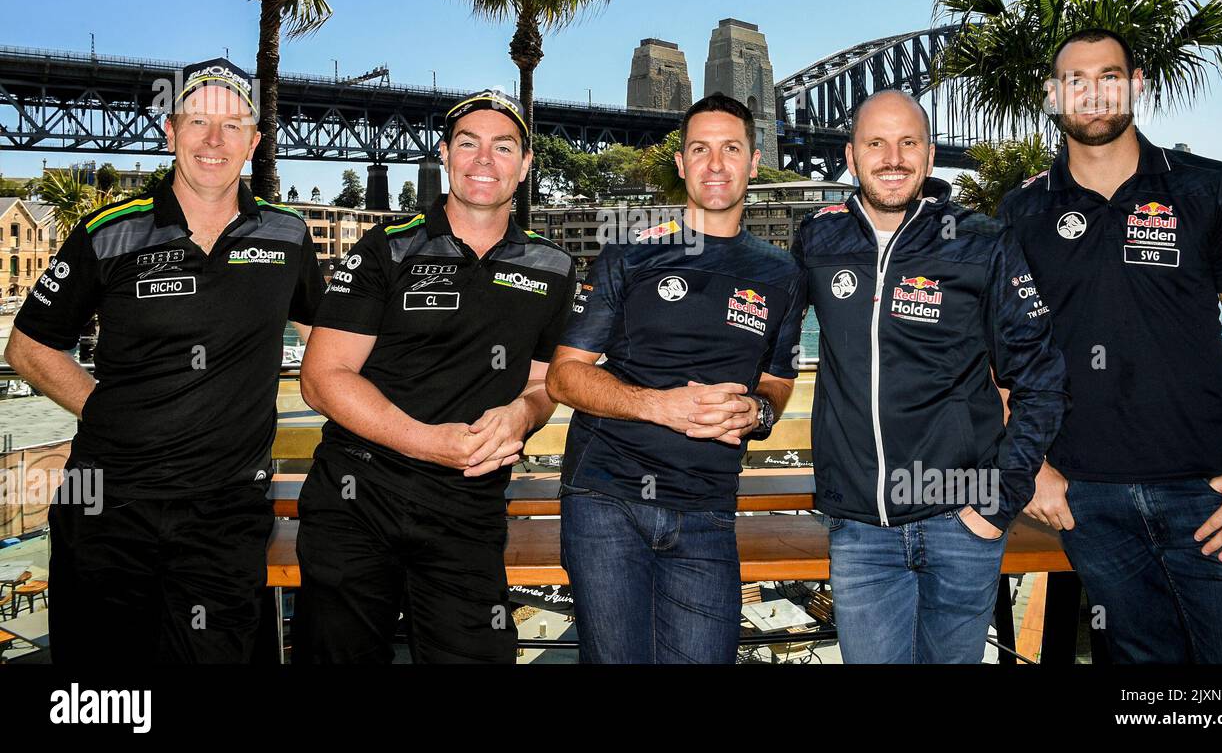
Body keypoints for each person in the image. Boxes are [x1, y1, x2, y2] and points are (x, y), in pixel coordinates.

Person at [5, 57, 323, 662]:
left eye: (232, 126)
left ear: (254, 143)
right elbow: (29, 346)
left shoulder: (288, 236)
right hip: (108, 505)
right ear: (170, 130)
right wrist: (107, 408)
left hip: (225, 510)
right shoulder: (110, 231)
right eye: (198, 120)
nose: (213, 140)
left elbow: (331, 336)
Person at [1000, 28, 1222, 663]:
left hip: (1213, 493)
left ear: (1137, 86)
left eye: (1109, 77)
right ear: (1053, 96)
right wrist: (1034, 468)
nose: (1093, 93)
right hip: (1086, 502)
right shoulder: (1021, 211)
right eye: (1075, 80)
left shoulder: (1206, 187)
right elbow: (1001, 359)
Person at [294, 89, 575, 663]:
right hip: (358, 497)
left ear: (524, 167)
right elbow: (322, 378)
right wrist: (430, 443)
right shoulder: (386, 249)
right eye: (468, 144)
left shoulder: (553, 266)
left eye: (503, 147)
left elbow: (543, 384)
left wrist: (523, 414)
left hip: (467, 505)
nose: (484, 159)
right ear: (445, 155)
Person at [793, 89, 1068, 664]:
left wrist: (997, 502)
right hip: (860, 528)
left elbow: (1040, 377)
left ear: (930, 152)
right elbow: (762, 340)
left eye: (908, 142)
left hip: (961, 520)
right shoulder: (818, 239)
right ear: (850, 155)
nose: (892, 157)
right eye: (876, 143)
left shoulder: (981, 240)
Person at [546, 93, 807, 664]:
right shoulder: (632, 253)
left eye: (731, 148)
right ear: (682, 164)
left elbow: (779, 378)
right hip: (607, 496)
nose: (716, 164)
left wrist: (758, 411)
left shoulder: (782, 273)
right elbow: (565, 378)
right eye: (700, 150)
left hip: (708, 506)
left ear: (754, 160)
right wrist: (656, 406)